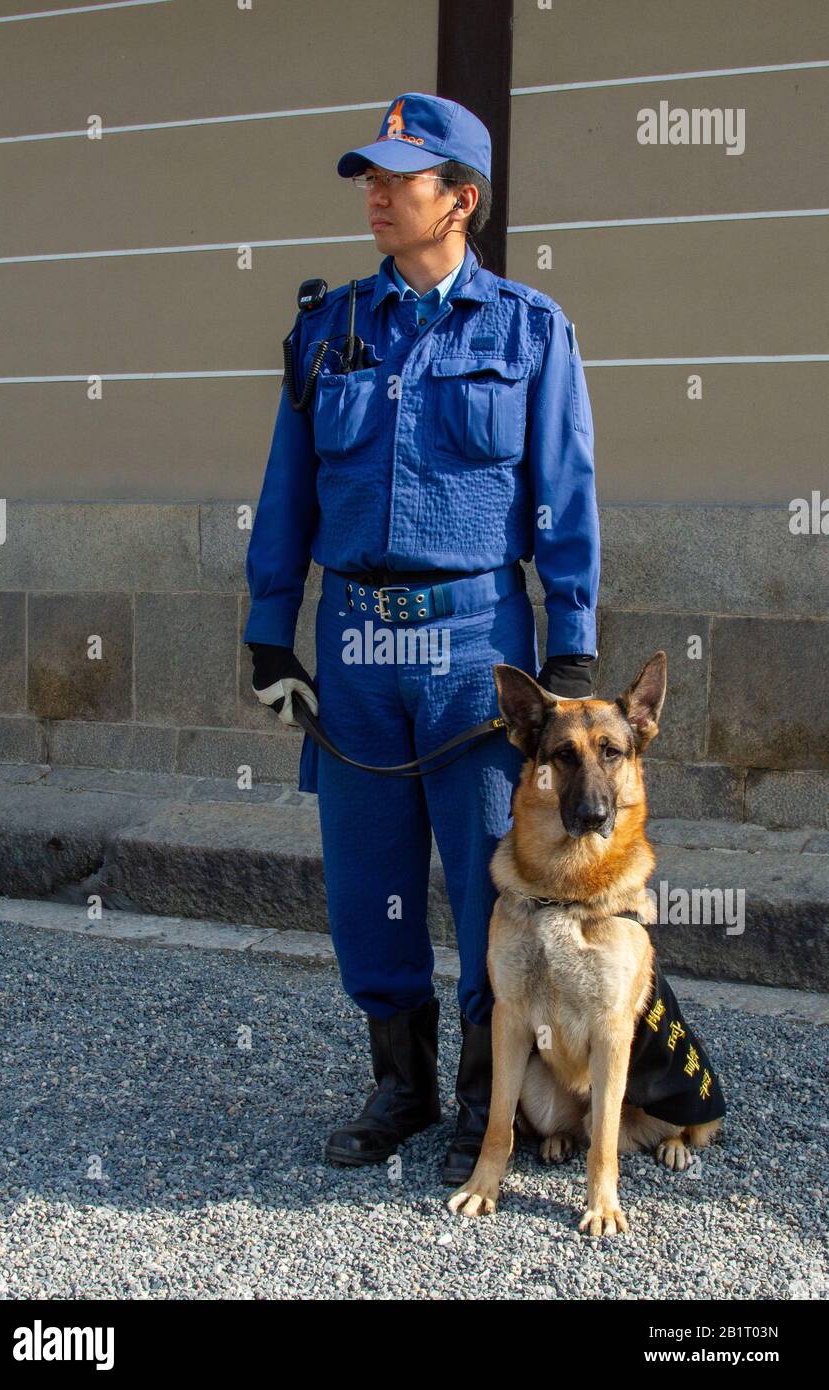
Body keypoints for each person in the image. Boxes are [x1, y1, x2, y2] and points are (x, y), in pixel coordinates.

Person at [244, 92, 600, 1185]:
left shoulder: (528, 330)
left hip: (473, 655)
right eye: (370, 176)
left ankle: (483, 1102)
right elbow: (287, 491)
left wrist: (571, 647)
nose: (377, 193)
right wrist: (271, 632)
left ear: (462, 199)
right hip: (354, 647)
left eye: (403, 178)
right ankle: (397, 1085)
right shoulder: (327, 329)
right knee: (367, 880)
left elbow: (564, 492)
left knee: (494, 881)